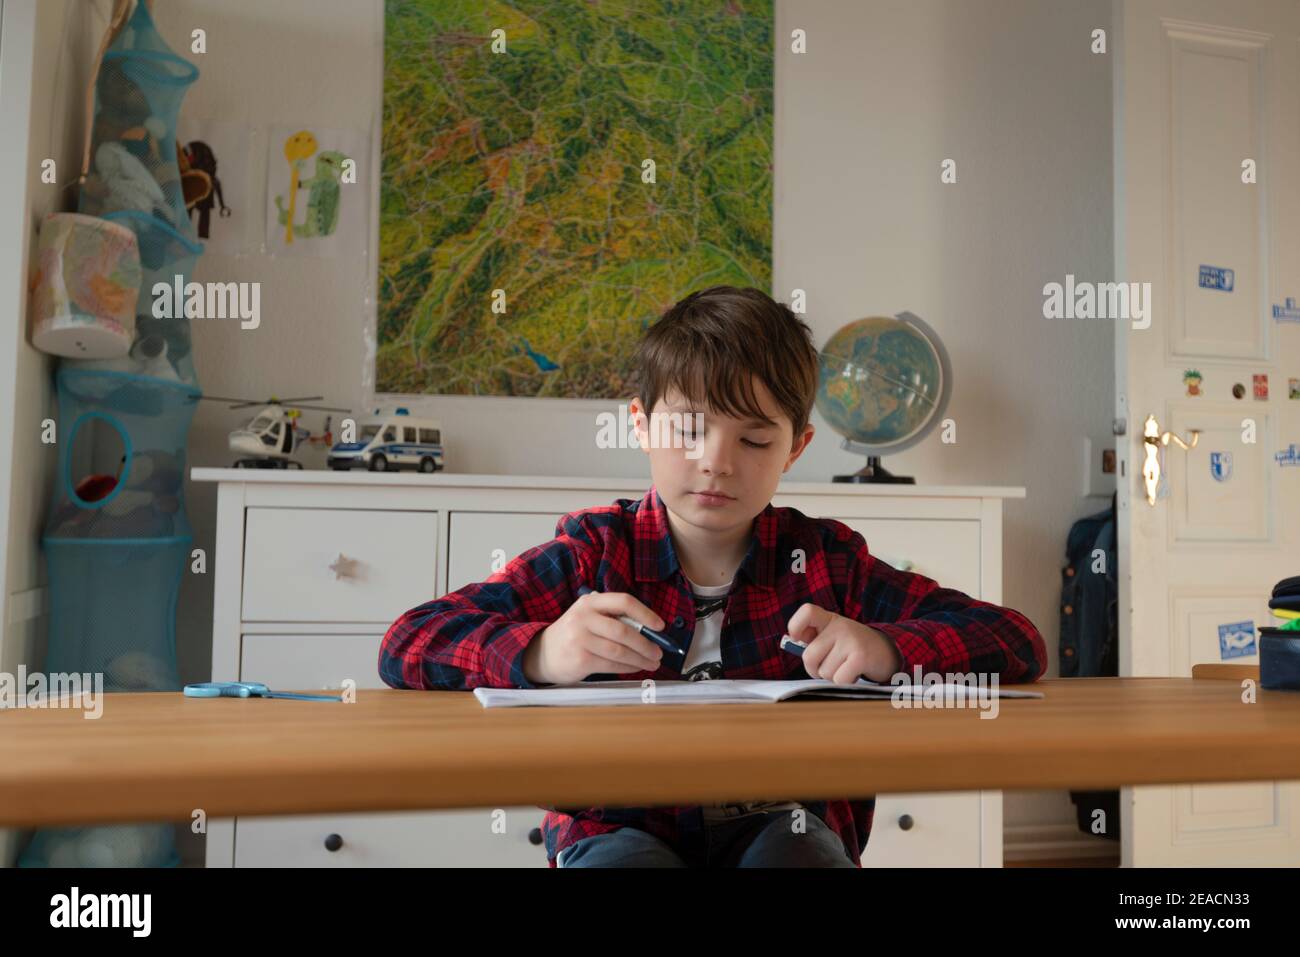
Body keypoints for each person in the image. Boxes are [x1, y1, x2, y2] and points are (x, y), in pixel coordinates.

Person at [379, 285, 1047, 867]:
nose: (716, 461)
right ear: (639, 424)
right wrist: (540, 650)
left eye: (755, 440)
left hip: (784, 820)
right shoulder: (592, 552)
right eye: (689, 429)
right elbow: (407, 641)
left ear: (796, 447)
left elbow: (1015, 641)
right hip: (618, 822)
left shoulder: (826, 561)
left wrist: (888, 648)